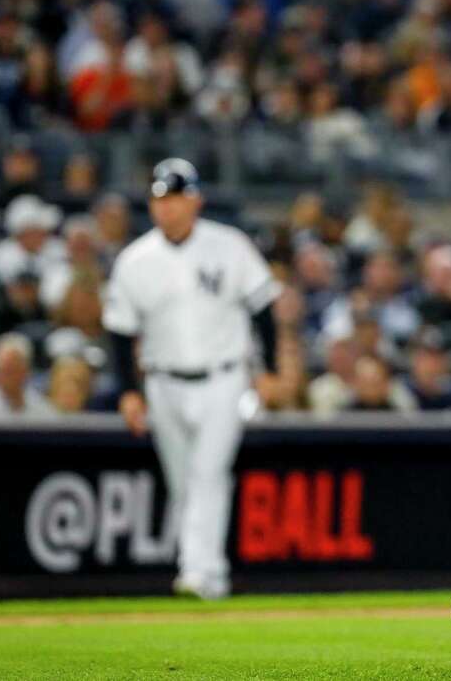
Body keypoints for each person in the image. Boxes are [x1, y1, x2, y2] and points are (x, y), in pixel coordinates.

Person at [102, 158, 281, 600]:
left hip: (224, 377)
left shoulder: (230, 246)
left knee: (208, 473)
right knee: (184, 482)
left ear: (196, 200)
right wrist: (129, 390)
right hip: (163, 382)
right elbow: (121, 332)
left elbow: (264, 308)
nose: (170, 208)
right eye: (162, 199)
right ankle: (211, 573)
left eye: (178, 198)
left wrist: (271, 369)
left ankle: (196, 573)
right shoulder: (135, 259)